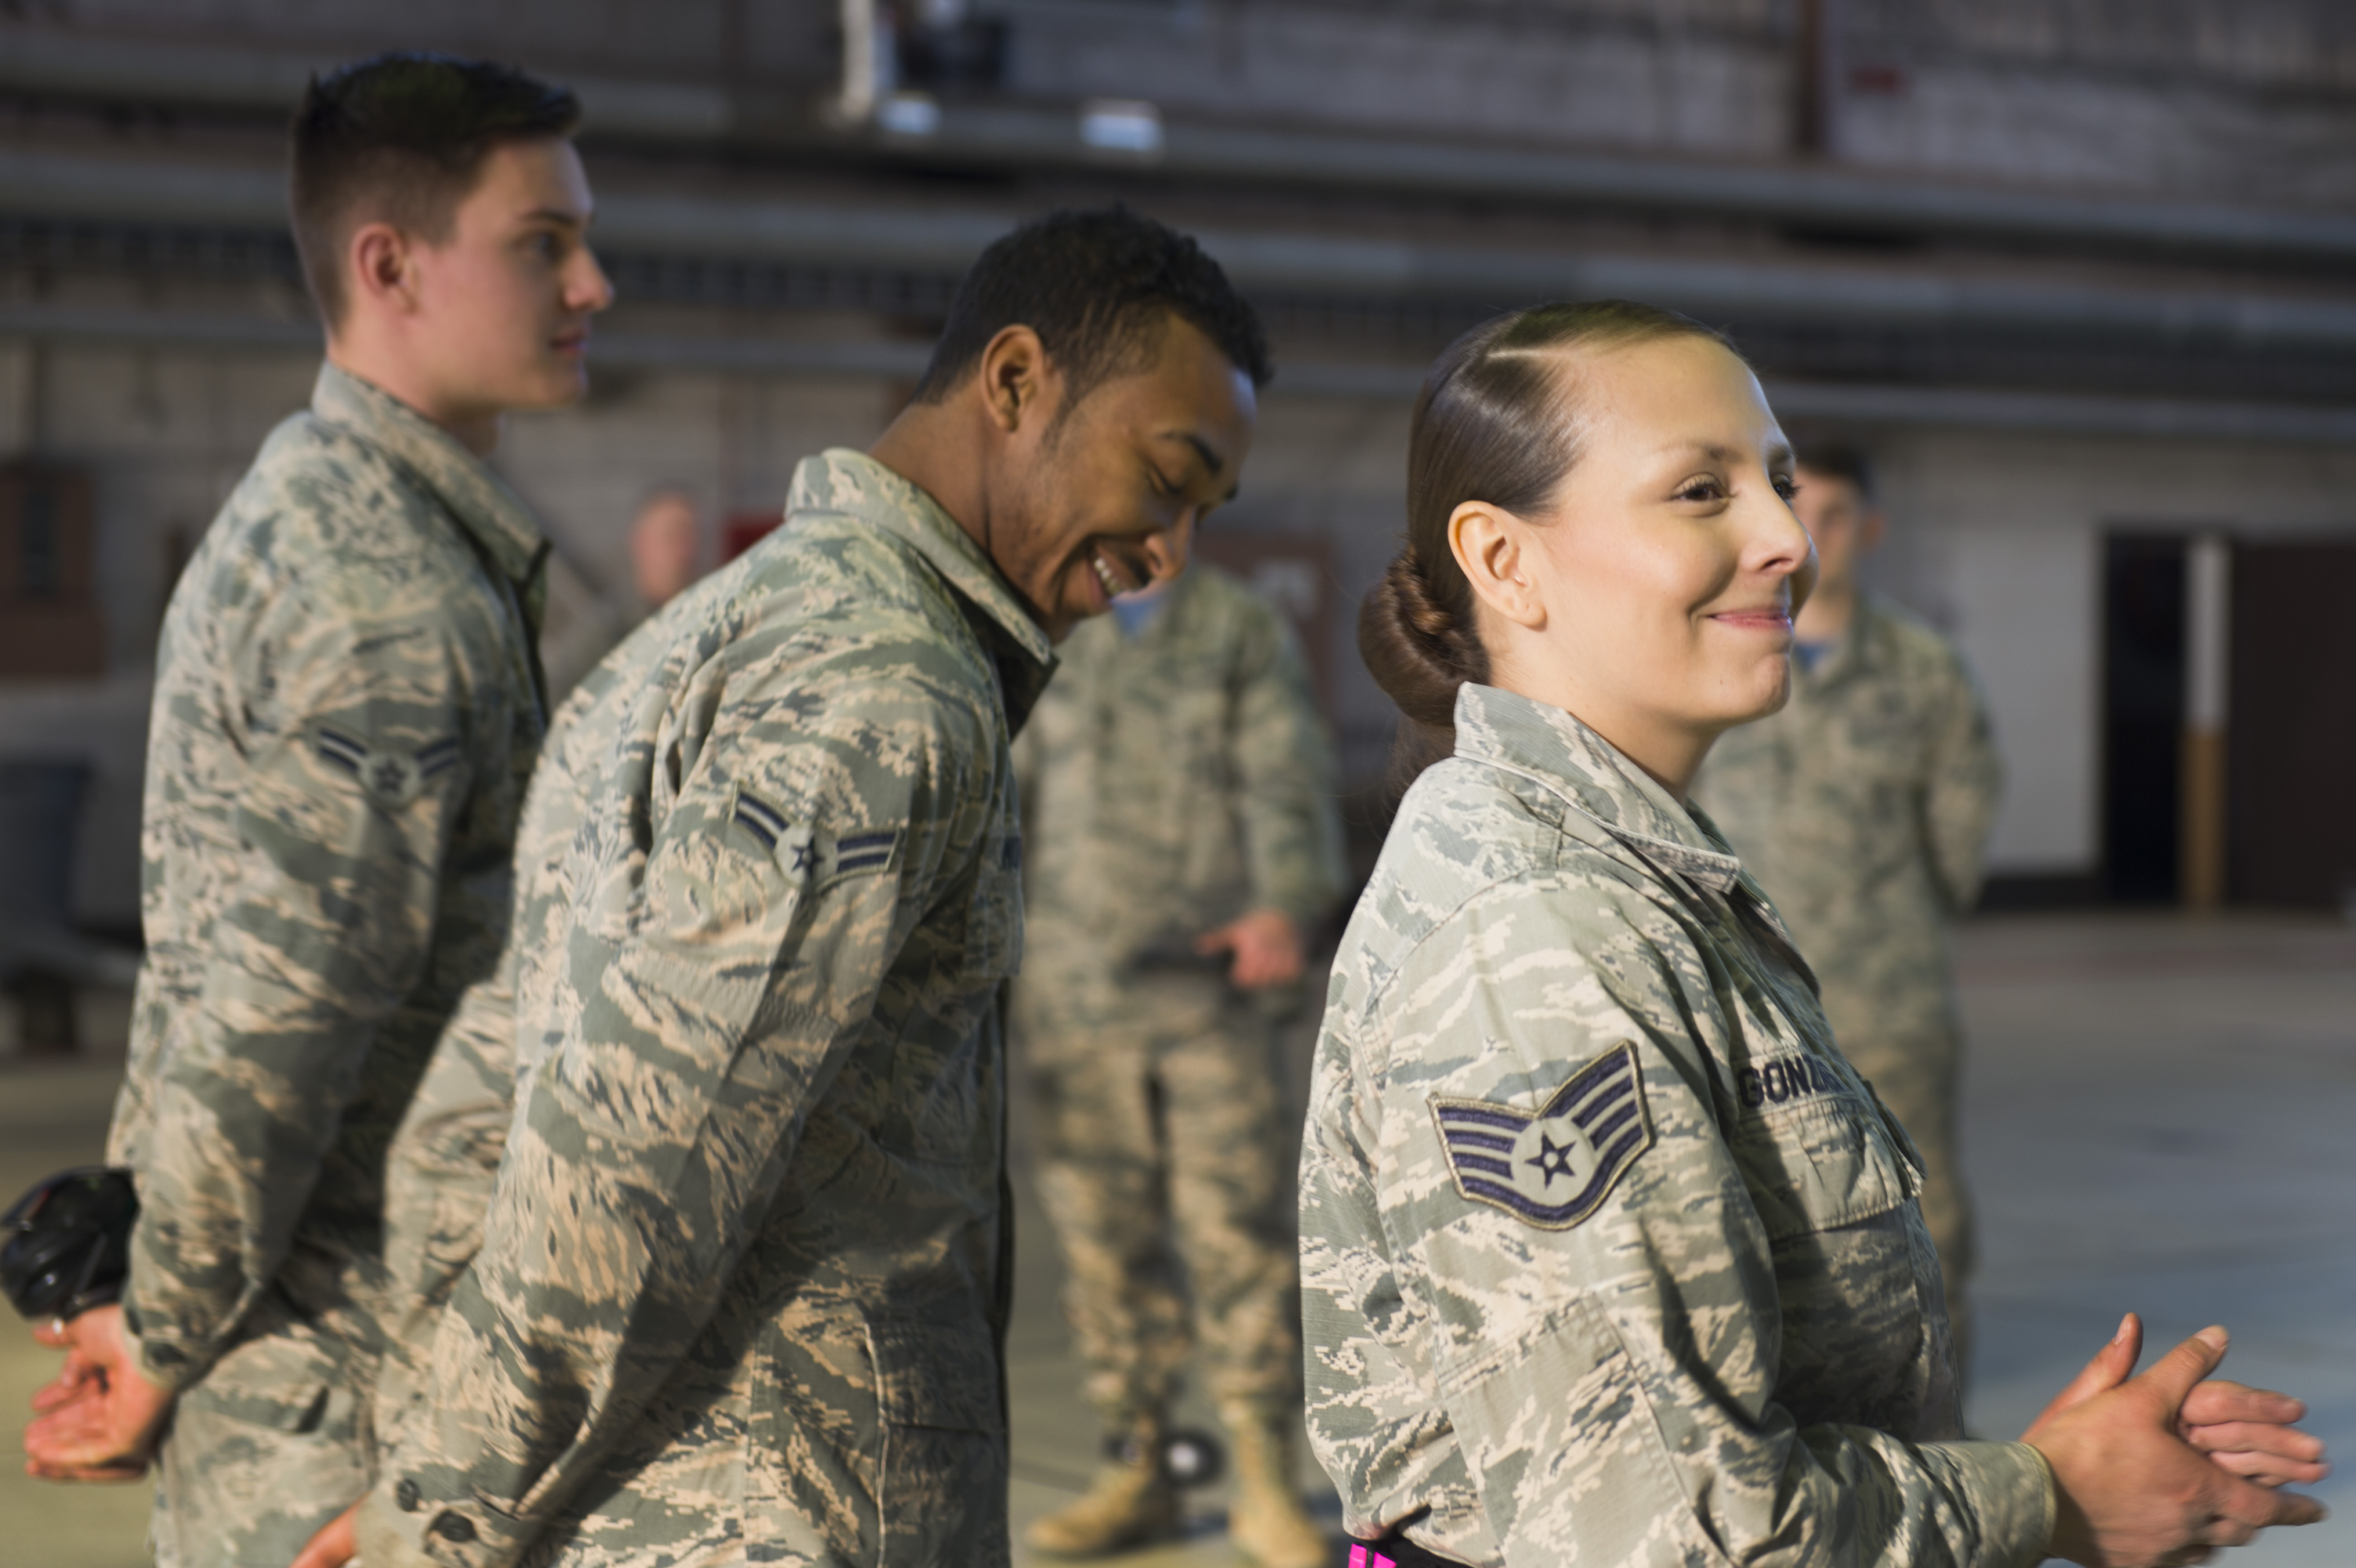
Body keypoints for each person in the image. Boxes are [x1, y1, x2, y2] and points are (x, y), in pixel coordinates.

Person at [305, 207, 1266, 1568]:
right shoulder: (888, 691)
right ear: (1014, 381)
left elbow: (485, 1086)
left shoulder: (709, 628)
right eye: (1169, 476)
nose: (1170, 548)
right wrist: (442, 1505)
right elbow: (642, 1150)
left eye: (1205, 513)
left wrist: (439, 1453)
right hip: (787, 1510)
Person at [1298, 299, 2328, 1567]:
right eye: (1698, 490)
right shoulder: (1541, 947)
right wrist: (2041, 1498)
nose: (1787, 537)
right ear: (1506, 562)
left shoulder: (1624, 873)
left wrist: (2031, 1469)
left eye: (1778, 483)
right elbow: (1667, 1536)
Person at [18, 50, 611, 1568]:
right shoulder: (381, 599)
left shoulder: (354, 522)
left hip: (326, 1346)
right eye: (542, 241)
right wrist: (157, 1334)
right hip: (345, 1383)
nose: (592, 283)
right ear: (388, 265)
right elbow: (278, 1025)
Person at [1014, 563, 1346, 1566]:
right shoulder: (1049, 633)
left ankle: (1259, 1478)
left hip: (1209, 995)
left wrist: (1286, 903)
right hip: (1075, 998)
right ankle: (1141, 1467)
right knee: (1103, 1249)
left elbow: (1284, 774)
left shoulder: (1235, 629)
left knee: (1235, 1237)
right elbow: (996, 794)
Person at [1689, 440, 1998, 1384]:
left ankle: (1938, 1430)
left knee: (1925, 1216)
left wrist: (1900, 917)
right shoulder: (1715, 652)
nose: (1809, 537)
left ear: (1868, 530)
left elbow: (1961, 817)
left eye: (1831, 518)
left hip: (1887, 992)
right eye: (1795, 509)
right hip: (1739, 995)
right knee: (1750, 1214)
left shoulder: (1920, 668)